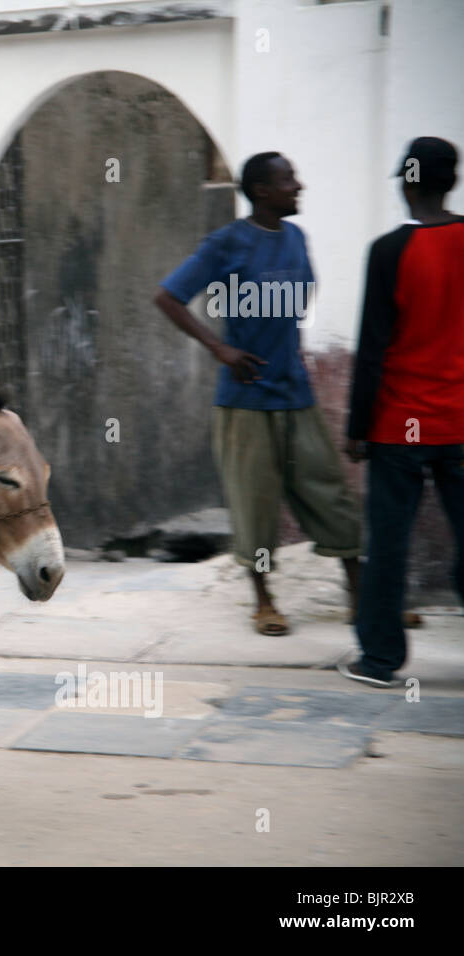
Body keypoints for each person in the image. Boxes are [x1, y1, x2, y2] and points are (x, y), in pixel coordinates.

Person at [154, 152, 363, 635]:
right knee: (256, 504)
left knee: (330, 494)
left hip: (296, 395)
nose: (299, 185)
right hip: (244, 402)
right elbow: (167, 297)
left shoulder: (296, 239)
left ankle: (360, 595)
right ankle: (264, 601)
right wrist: (218, 348)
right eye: (289, 179)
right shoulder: (227, 244)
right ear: (263, 191)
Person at [340, 136, 464, 688]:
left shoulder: (389, 251)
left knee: (389, 547)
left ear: (408, 183)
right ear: (451, 182)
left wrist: (357, 428)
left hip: (400, 427)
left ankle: (380, 660)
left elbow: (372, 349)